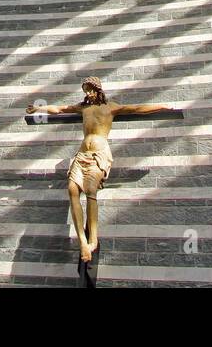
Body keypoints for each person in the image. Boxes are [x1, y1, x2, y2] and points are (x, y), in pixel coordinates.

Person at [26, 76, 175, 265]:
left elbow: (137, 109)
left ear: (98, 89)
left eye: (90, 89)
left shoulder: (111, 107)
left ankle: (93, 238)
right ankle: (82, 240)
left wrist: (163, 106)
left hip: (99, 153)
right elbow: (60, 109)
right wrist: (39, 108)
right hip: (82, 155)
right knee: (72, 189)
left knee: (90, 191)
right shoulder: (83, 108)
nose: (87, 93)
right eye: (85, 90)